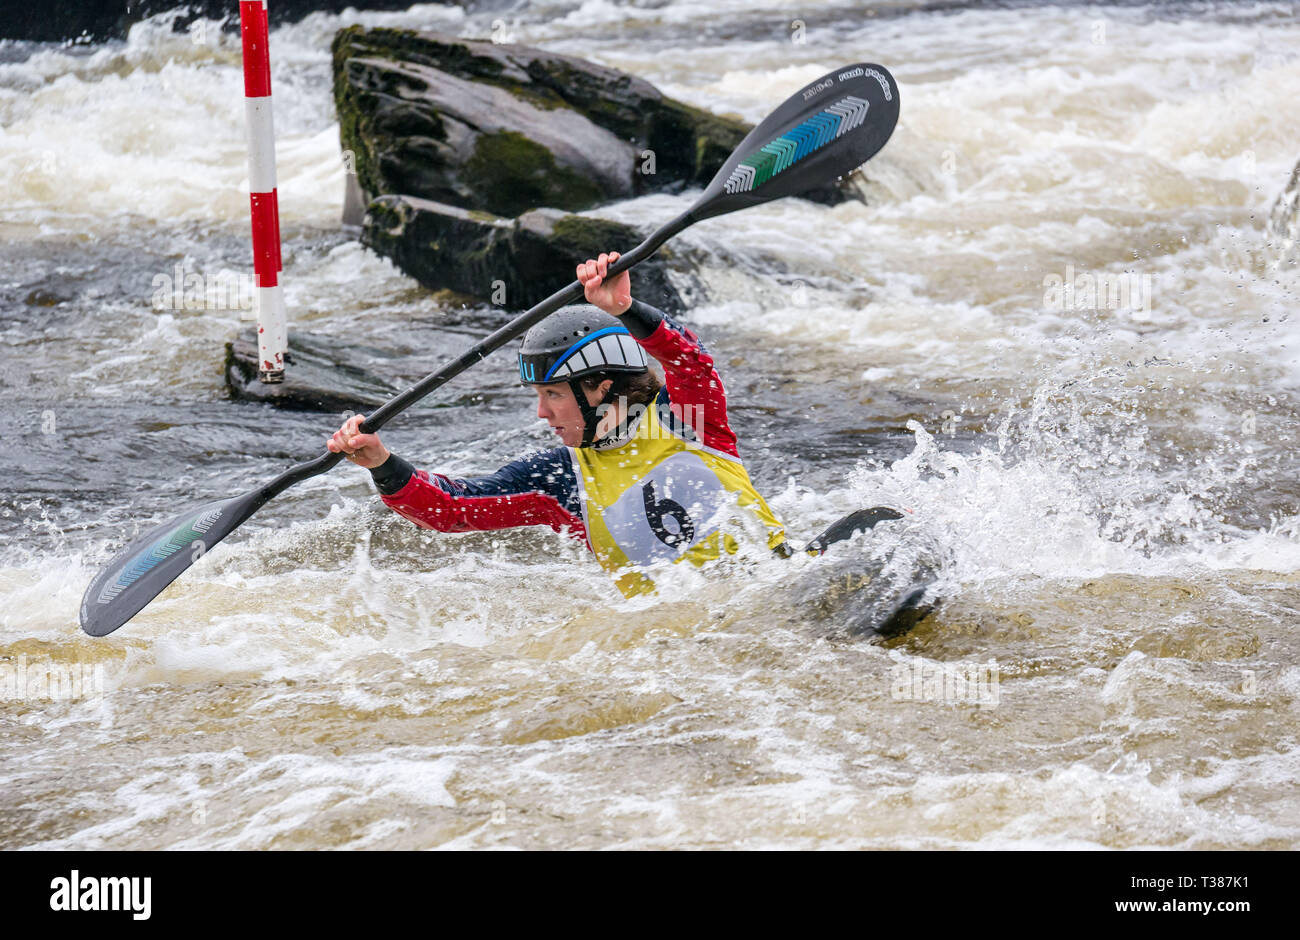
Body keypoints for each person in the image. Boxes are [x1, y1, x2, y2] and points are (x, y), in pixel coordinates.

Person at [328, 250, 791, 598]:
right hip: (692, 647)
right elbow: (452, 510)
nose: (541, 413)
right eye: (539, 396)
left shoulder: (685, 420)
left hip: (781, 586)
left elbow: (690, 360)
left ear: (600, 388)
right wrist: (381, 462)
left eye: (552, 394)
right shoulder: (559, 482)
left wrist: (624, 308)